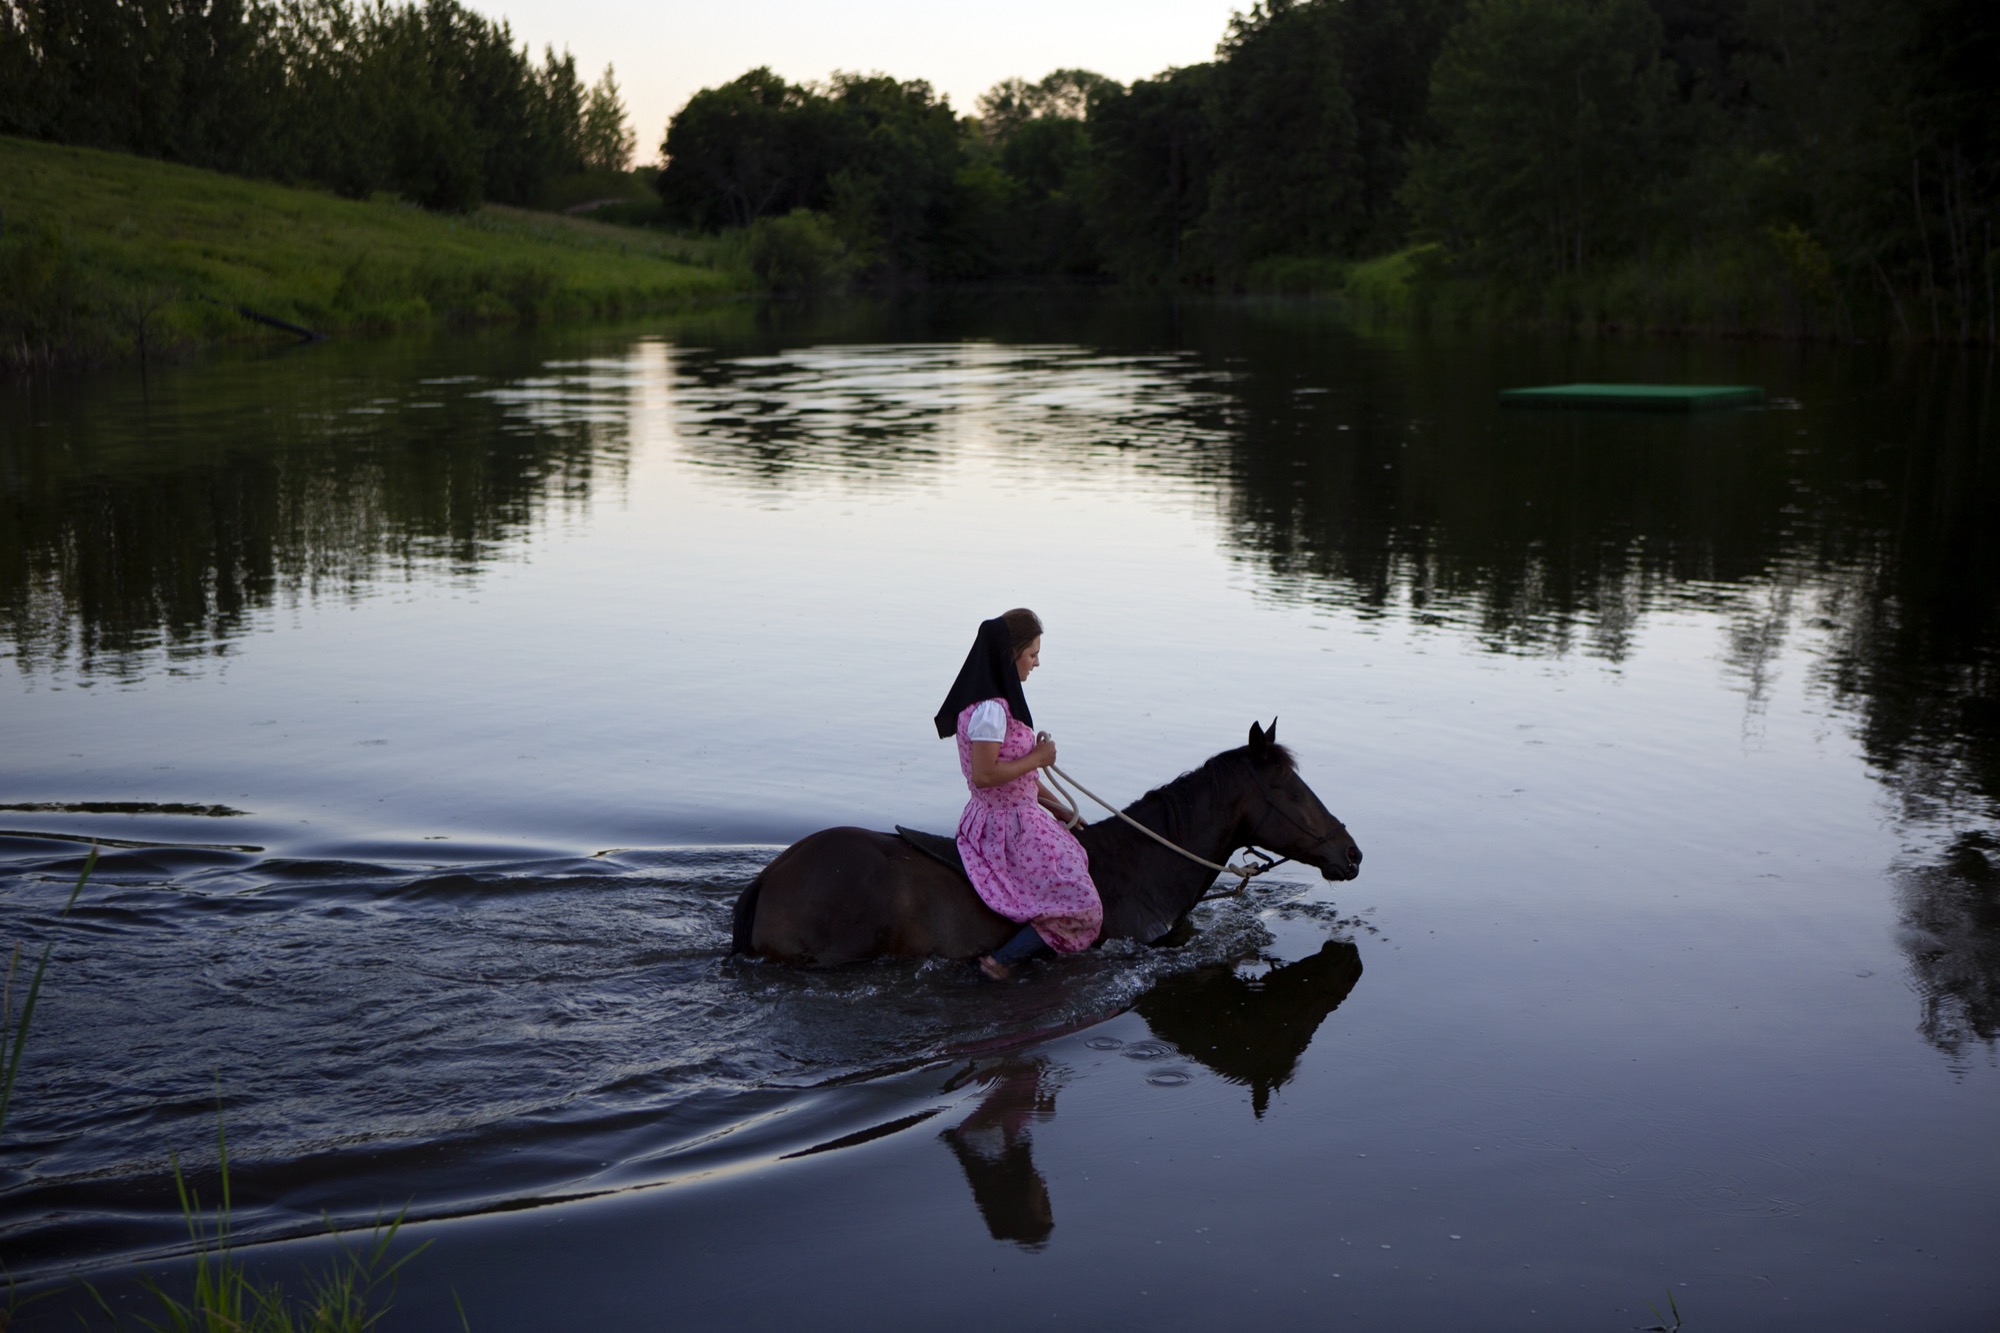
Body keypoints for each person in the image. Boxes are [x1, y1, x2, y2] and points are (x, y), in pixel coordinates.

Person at [934, 608, 1103, 979]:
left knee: (1074, 856)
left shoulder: (988, 703)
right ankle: (1004, 962)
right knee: (1084, 906)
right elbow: (984, 774)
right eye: (1032, 654)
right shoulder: (992, 712)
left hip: (1010, 813)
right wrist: (1039, 758)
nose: (1037, 663)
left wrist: (1058, 808)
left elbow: (1013, 779)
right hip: (1006, 826)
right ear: (1011, 656)